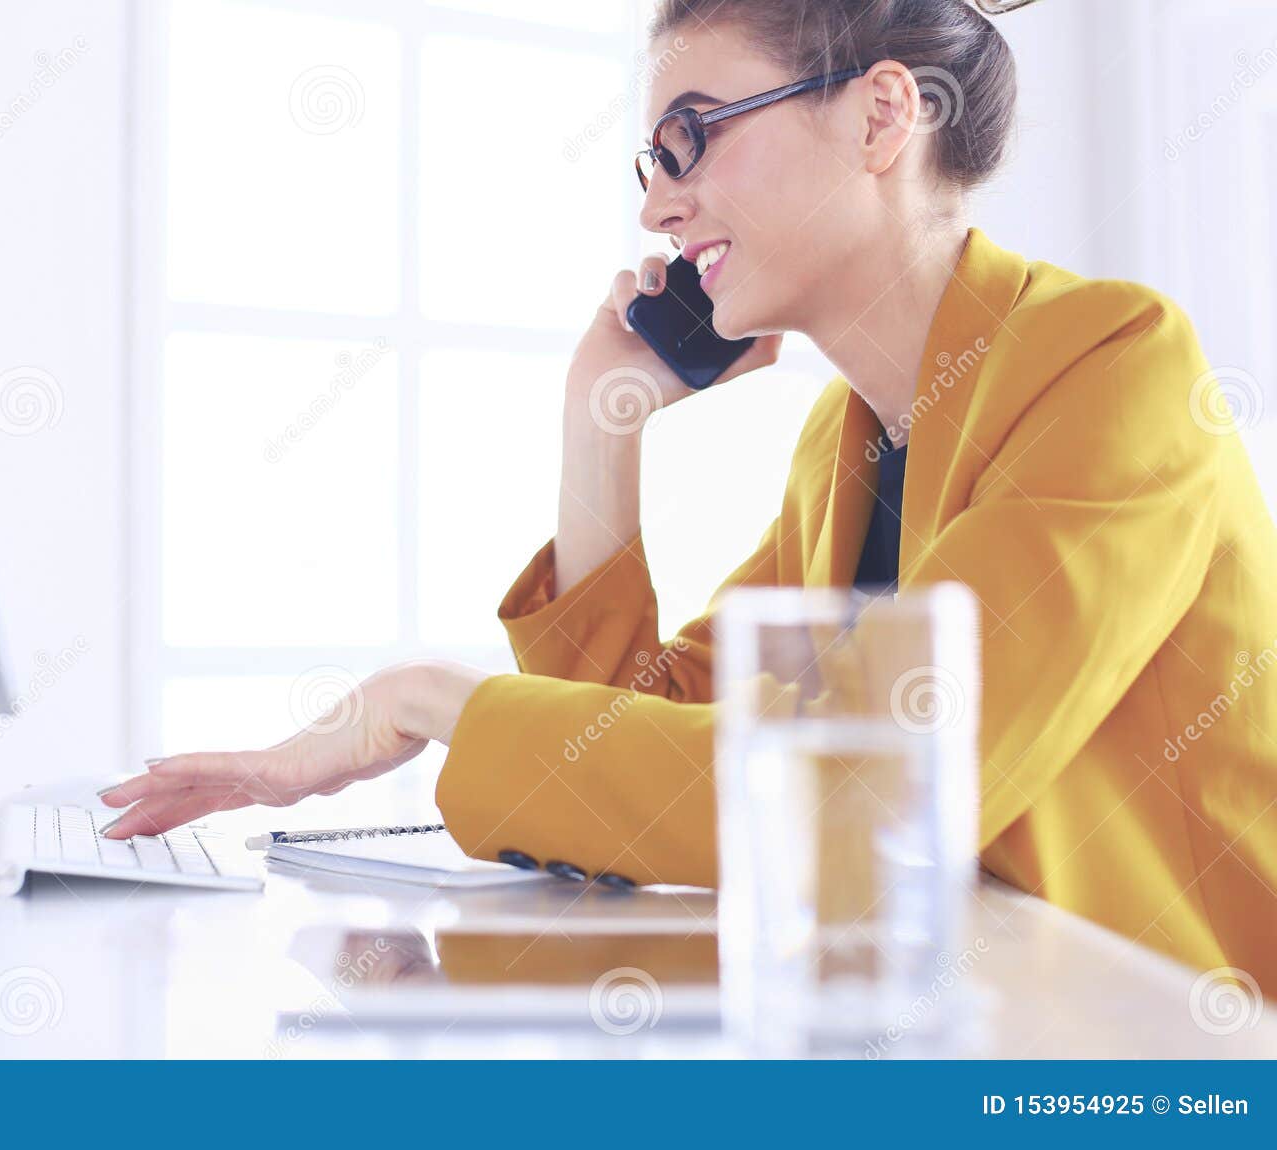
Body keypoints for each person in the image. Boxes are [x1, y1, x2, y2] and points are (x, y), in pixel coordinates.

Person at [102, 0, 1277, 987]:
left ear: (880, 116)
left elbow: (861, 805)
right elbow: (632, 753)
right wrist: (599, 423)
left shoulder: (1116, 368)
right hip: (938, 1031)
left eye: (692, 139)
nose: (658, 207)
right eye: (650, 167)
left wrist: (427, 697)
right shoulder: (845, 445)